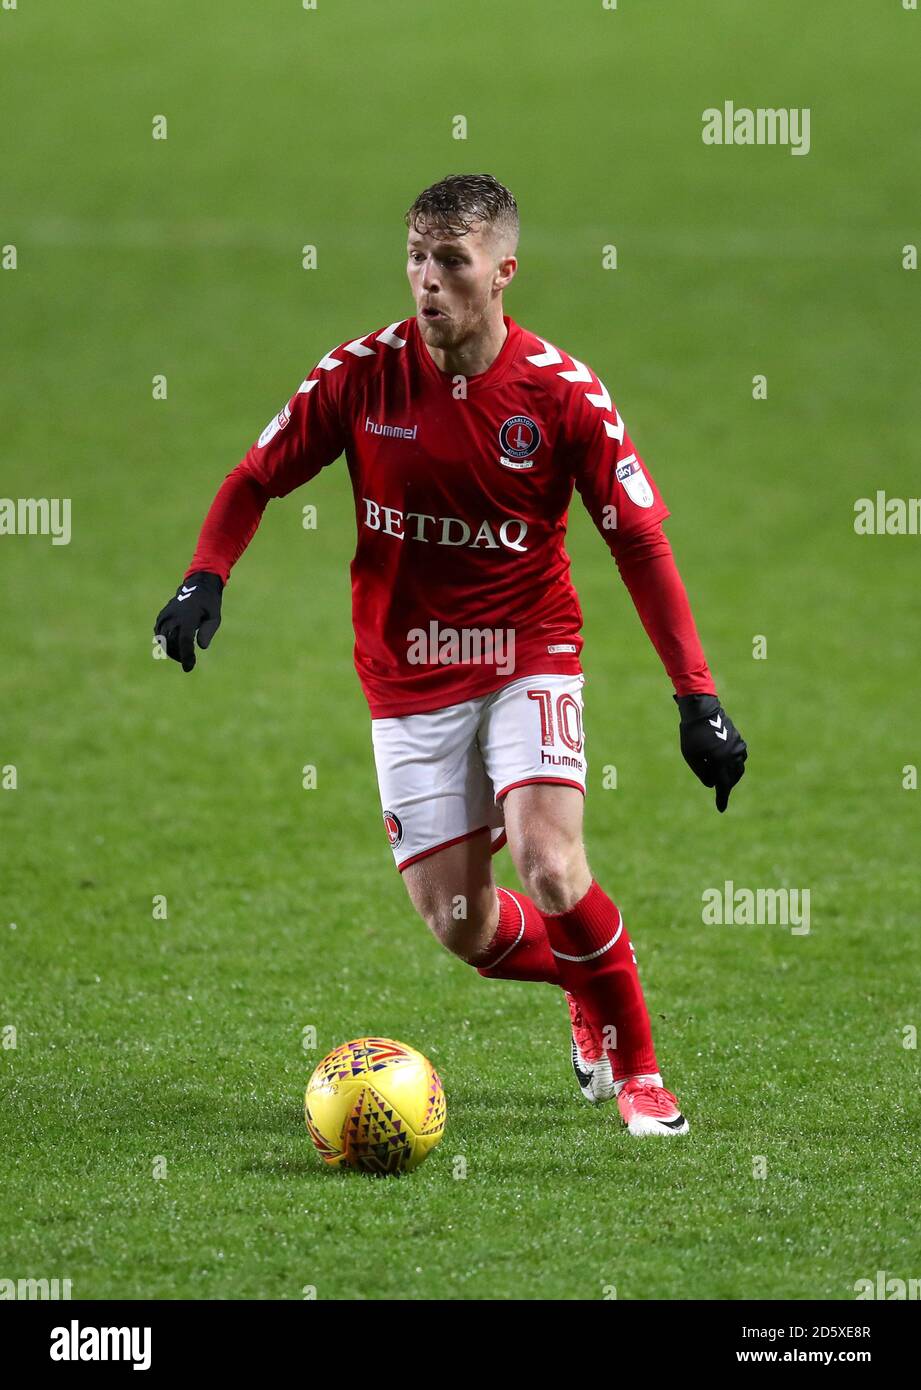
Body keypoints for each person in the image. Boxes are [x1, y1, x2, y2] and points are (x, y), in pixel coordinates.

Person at [155, 173, 747, 1137]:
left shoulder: (560, 395)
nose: (426, 281)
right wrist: (204, 577)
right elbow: (255, 477)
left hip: (527, 653)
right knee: (463, 929)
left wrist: (697, 697)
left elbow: (637, 543)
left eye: (451, 262)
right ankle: (583, 975)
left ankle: (640, 1074)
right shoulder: (360, 375)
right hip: (405, 672)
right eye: (415, 258)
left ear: (503, 271)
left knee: (554, 867)